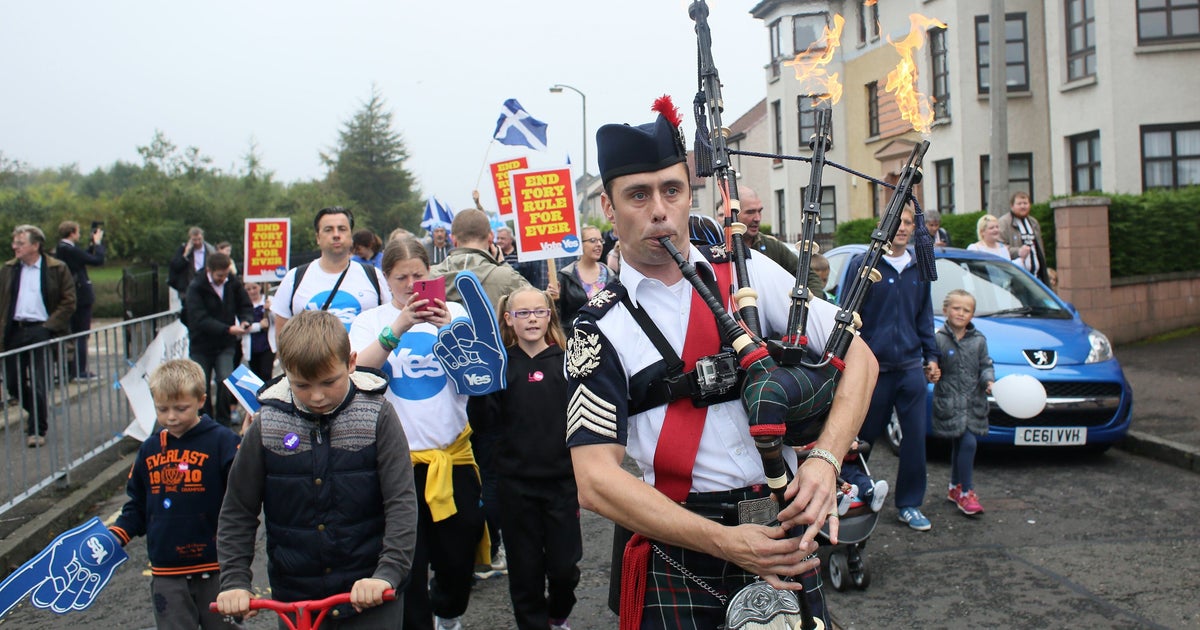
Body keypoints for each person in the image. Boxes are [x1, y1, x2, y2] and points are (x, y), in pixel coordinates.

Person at [567, 106, 877, 629]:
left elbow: (861, 358)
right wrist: (727, 543)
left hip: (783, 527)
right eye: (637, 195)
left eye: (672, 189)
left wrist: (825, 458)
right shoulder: (596, 329)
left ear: (691, 192)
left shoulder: (747, 272)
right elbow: (595, 480)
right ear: (608, 206)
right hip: (685, 545)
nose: (659, 210)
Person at [216, 310, 417, 626]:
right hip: (297, 601)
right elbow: (238, 509)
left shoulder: (378, 416)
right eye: (302, 385)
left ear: (350, 362)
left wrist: (388, 572)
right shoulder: (267, 424)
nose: (318, 396)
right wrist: (234, 581)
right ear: (285, 374)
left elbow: (401, 502)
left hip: (371, 594)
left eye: (328, 381)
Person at [349, 238, 485, 630]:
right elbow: (359, 376)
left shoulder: (457, 313)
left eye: (419, 275)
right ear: (386, 279)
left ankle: (449, 614)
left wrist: (451, 330)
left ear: (432, 274)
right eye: (401, 277)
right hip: (395, 465)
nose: (411, 285)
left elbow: (481, 378)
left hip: (453, 457)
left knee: (458, 560)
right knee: (408, 563)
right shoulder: (371, 322)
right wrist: (400, 326)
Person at [467, 288, 581, 630]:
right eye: (522, 313)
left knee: (564, 569)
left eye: (538, 312)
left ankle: (558, 615)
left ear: (550, 315)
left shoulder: (568, 361)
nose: (531, 319)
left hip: (562, 484)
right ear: (508, 319)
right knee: (525, 572)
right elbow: (483, 423)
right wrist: (479, 386)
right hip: (515, 487)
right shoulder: (500, 366)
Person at [108, 358, 241, 630]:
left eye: (181, 408)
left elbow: (243, 495)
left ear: (201, 400)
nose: (171, 417)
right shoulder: (149, 449)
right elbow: (138, 504)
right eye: (162, 409)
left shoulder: (223, 441)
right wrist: (117, 534)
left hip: (216, 564)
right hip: (167, 570)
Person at [844, 207, 941, 532]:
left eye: (909, 223)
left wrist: (932, 355)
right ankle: (851, 493)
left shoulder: (919, 265)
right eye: (896, 222)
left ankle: (909, 504)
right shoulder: (864, 263)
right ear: (881, 225)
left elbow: (924, 315)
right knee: (862, 437)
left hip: (911, 366)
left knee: (914, 439)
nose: (902, 228)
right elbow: (848, 315)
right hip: (874, 369)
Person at [2, 225, 76, 448]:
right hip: (15, 329)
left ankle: (37, 429)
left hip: (41, 329)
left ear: (35, 245)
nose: (15, 247)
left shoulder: (56, 268)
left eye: (20, 243)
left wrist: (49, 325)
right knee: (13, 382)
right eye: (15, 242)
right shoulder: (8, 269)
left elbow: (69, 301)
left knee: (39, 380)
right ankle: (36, 410)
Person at [271, 206, 390, 336]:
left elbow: (389, 321)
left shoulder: (374, 276)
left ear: (351, 236)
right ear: (317, 237)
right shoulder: (294, 278)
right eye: (328, 230)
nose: (336, 235)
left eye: (342, 229)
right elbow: (282, 332)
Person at [932, 289, 994, 516]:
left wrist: (989, 381)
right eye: (956, 308)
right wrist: (932, 370)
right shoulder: (938, 338)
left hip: (973, 400)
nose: (961, 313)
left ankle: (961, 489)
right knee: (961, 443)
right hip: (949, 401)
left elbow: (986, 364)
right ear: (946, 310)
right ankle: (960, 490)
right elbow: (930, 362)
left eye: (966, 310)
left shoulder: (979, 340)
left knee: (967, 442)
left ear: (972, 315)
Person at [185, 252, 253, 428]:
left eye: (225, 274)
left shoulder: (232, 282)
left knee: (226, 379)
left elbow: (245, 304)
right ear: (209, 271)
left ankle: (223, 420)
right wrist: (227, 329)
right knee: (202, 384)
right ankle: (204, 420)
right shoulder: (196, 287)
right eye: (219, 276)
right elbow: (198, 318)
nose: (223, 279)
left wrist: (246, 319)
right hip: (202, 344)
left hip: (225, 344)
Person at [54, 220, 106, 382]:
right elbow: (97, 260)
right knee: (81, 334)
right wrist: (98, 244)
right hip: (80, 295)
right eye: (77, 231)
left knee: (73, 334)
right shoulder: (68, 249)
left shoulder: (64, 249)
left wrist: (92, 245)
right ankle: (79, 370)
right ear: (72, 233)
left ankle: (72, 369)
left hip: (72, 294)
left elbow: (84, 257)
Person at [556, 225, 613, 331]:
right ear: (580, 244)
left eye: (601, 241)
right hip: (576, 337)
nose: (599, 245)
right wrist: (552, 298)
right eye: (593, 240)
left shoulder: (611, 275)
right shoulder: (566, 275)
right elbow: (558, 314)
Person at [998, 191, 1052, 285]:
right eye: (1019, 204)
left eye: (1025, 203)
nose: (1023, 206)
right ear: (1012, 206)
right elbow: (999, 248)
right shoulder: (1004, 222)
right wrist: (1018, 251)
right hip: (1016, 278)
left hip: (1036, 277)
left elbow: (1040, 249)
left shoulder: (1033, 222)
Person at [169, 227, 216, 307]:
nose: (197, 242)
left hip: (206, 287)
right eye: (194, 240)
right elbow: (176, 266)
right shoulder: (183, 249)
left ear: (203, 237)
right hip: (188, 288)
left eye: (199, 239)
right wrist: (185, 254)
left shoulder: (210, 250)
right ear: (190, 239)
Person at [242, 281, 274, 383]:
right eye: (248, 289)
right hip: (252, 346)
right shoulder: (243, 305)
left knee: (266, 373)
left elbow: (279, 320)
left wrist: (271, 310)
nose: (252, 291)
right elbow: (241, 327)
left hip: (267, 344)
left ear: (260, 287)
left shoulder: (269, 300)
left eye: (254, 287)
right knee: (255, 376)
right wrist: (259, 326)